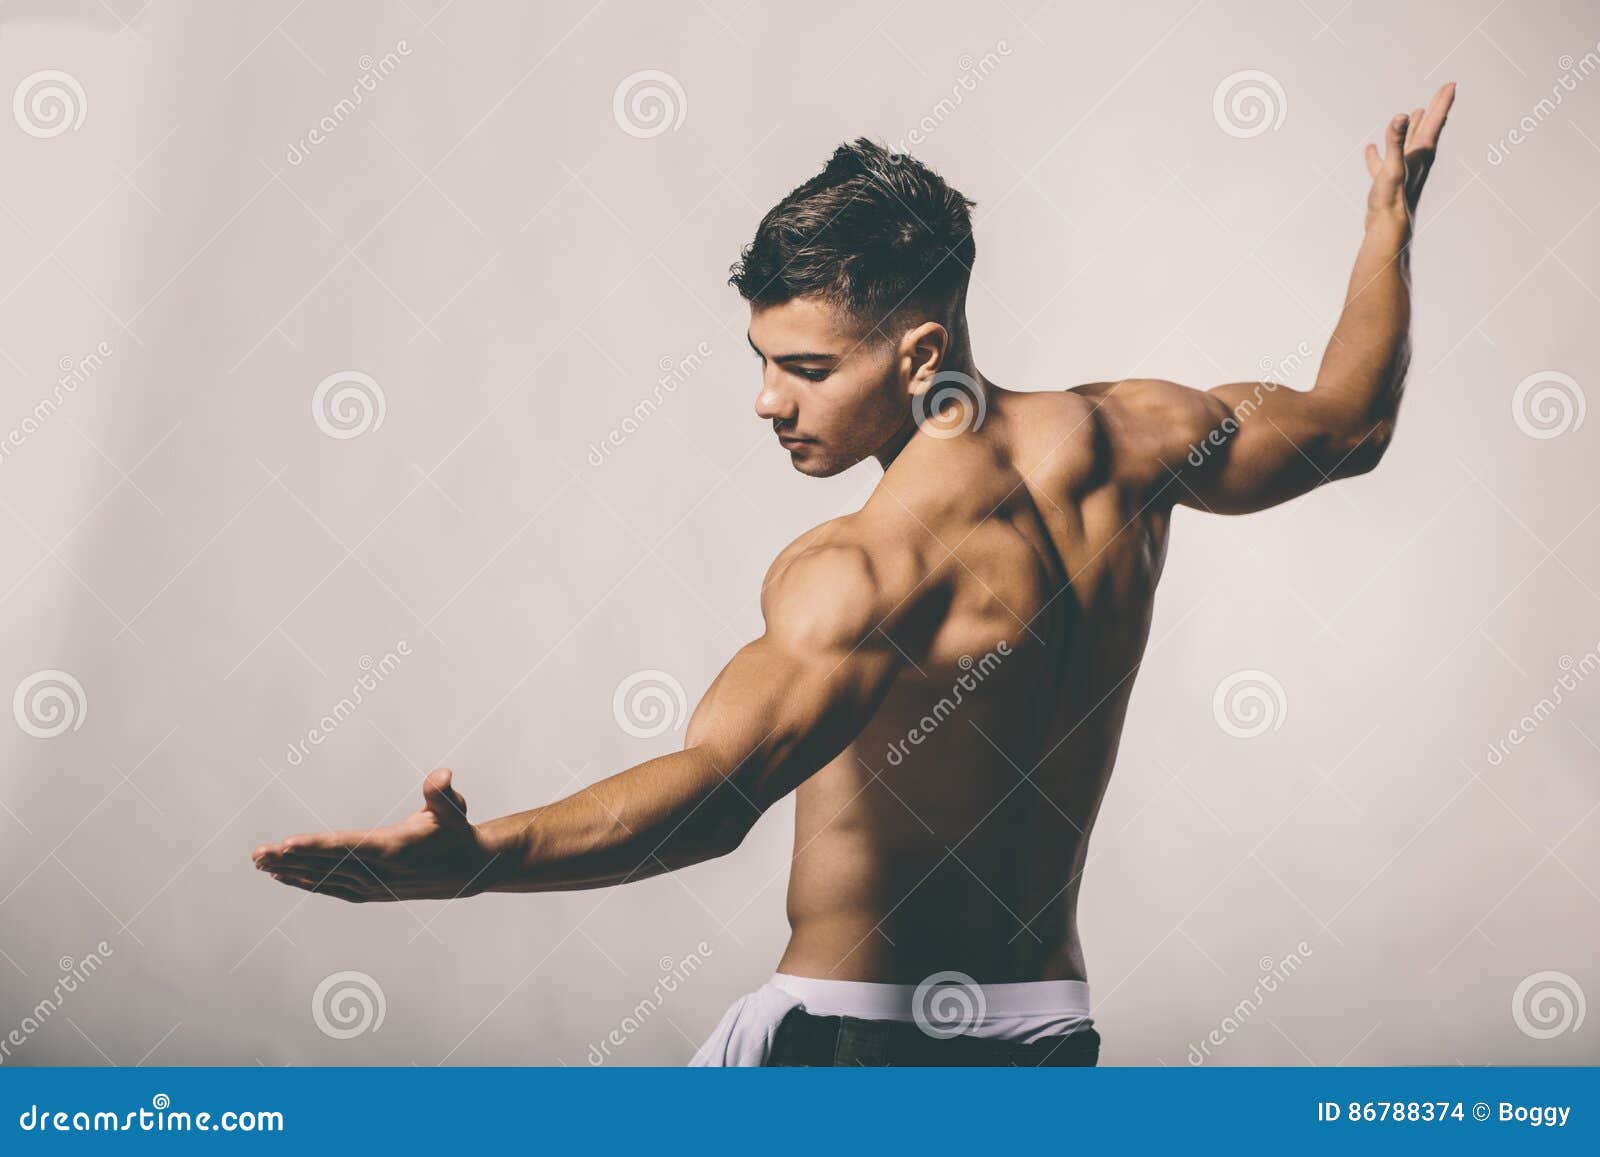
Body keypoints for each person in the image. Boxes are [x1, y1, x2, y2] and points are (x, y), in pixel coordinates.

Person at [252, 83, 1456, 1066]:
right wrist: (1387, 227)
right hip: (1047, 1031)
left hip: (855, 1047)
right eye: (761, 359)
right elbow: (1346, 422)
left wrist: (481, 862)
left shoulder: (865, 562)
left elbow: (715, 791)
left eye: (809, 368)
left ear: (922, 348)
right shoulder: (1137, 437)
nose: (768, 401)